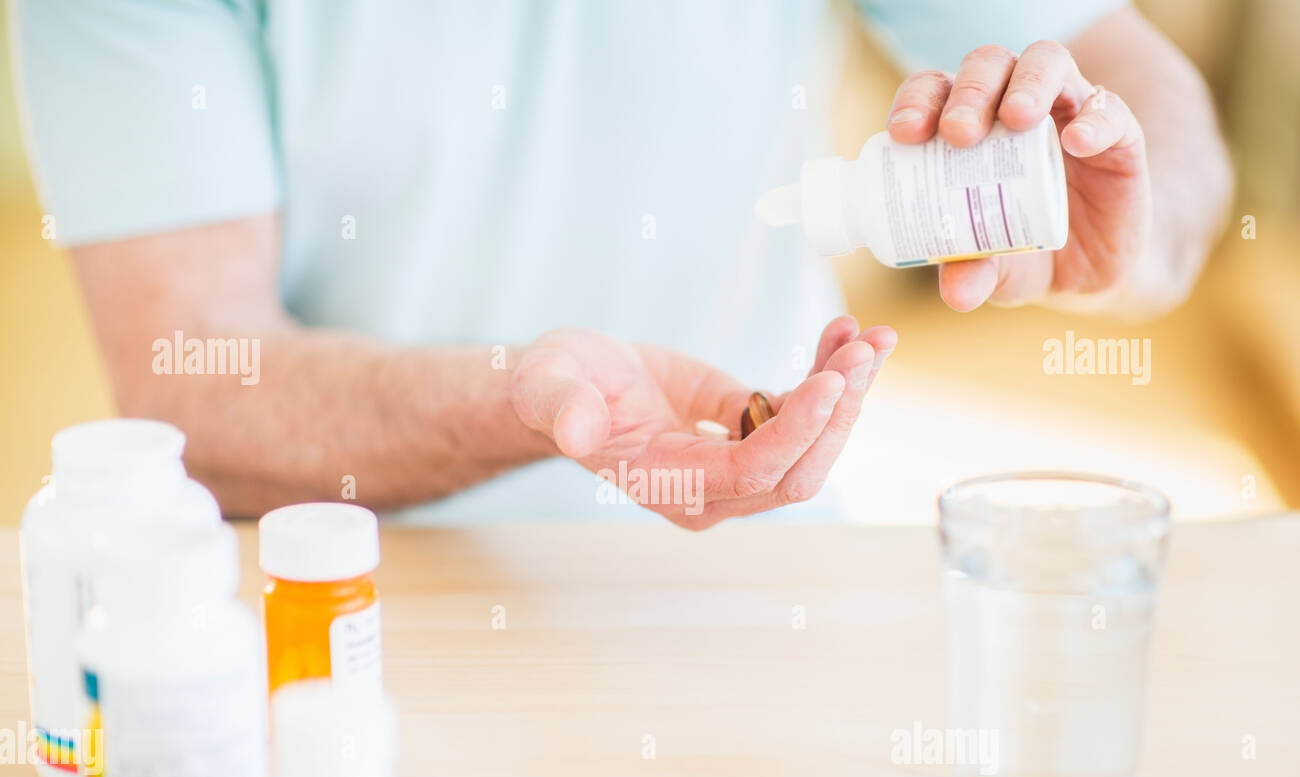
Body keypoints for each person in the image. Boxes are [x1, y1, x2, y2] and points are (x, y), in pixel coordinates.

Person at [11, 1, 1231, 529]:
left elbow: (1166, 130)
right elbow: (193, 386)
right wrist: (529, 405)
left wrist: (1130, 222)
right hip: (352, 585)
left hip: (767, 578)